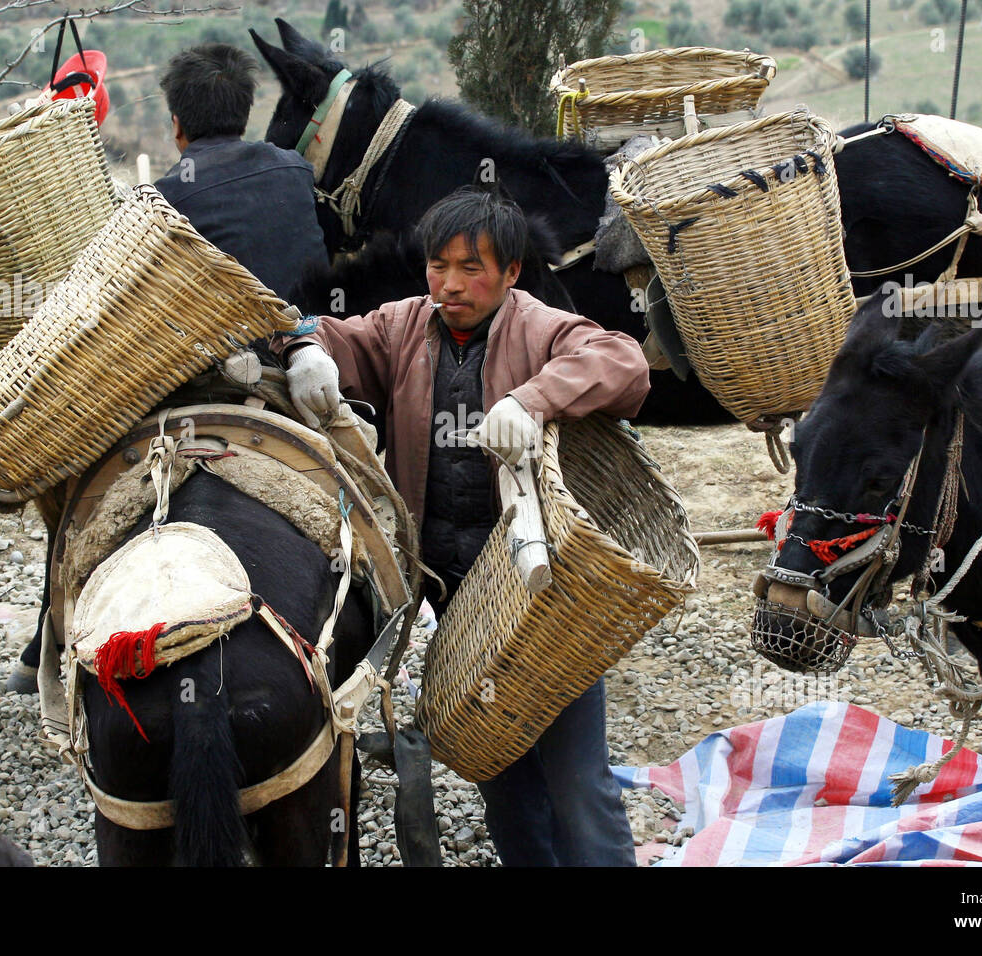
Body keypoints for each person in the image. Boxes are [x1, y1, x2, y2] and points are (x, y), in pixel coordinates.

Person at [277, 188, 649, 866]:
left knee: (575, 778)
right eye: (438, 265)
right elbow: (323, 331)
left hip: (544, 593)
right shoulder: (403, 327)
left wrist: (530, 399)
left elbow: (622, 362)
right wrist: (307, 349)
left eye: (472, 268)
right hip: (455, 595)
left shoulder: (539, 328)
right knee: (500, 765)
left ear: (511, 274)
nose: (451, 284)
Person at [155, 43, 327, 300]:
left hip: (239, 338)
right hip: (320, 331)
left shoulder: (166, 200)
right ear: (244, 116)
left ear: (176, 126)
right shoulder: (296, 168)